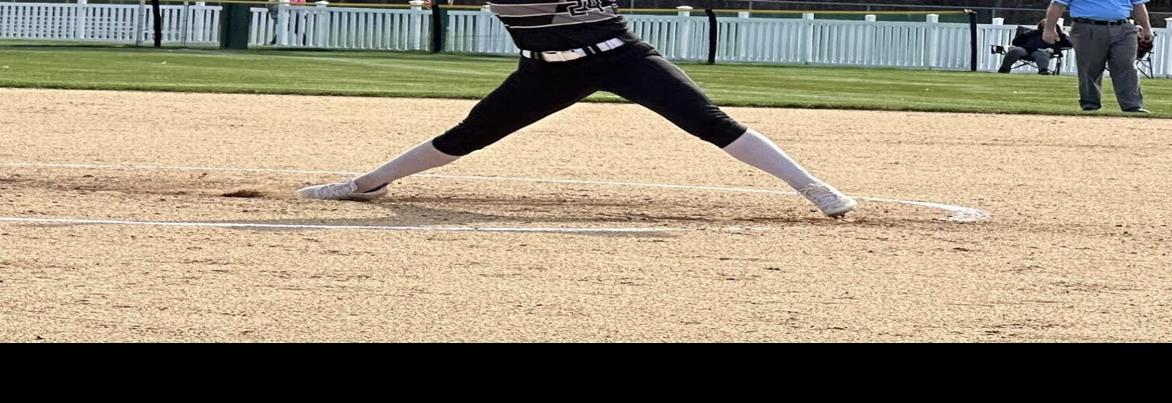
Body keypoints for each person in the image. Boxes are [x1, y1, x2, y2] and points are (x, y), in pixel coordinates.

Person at [296, 0, 858, 218]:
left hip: (621, 57)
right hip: (545, 67)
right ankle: (368, 183)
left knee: (708, 121)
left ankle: (814, 188)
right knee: (472, 133)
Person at [1042, 0, 1154, 113]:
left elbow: (1138, 5)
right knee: (1089, 67)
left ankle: (1132, 105)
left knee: (1127, 66)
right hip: (1087, 26)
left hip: (1124, 27)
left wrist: (1147, 27)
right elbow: (1058, 4)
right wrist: (1049, 28)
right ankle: (1090, 104)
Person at [994, 21, 1069, 75]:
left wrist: (1053, 49)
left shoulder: (1058, 36)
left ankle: (1043, 71)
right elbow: (1016, 41)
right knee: (1015, 50)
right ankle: (1004, 69)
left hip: (1042, 51)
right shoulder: (1031, 33)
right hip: (1025, 49)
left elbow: (1067, 44)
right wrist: (1019, 45)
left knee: (1042, 53)